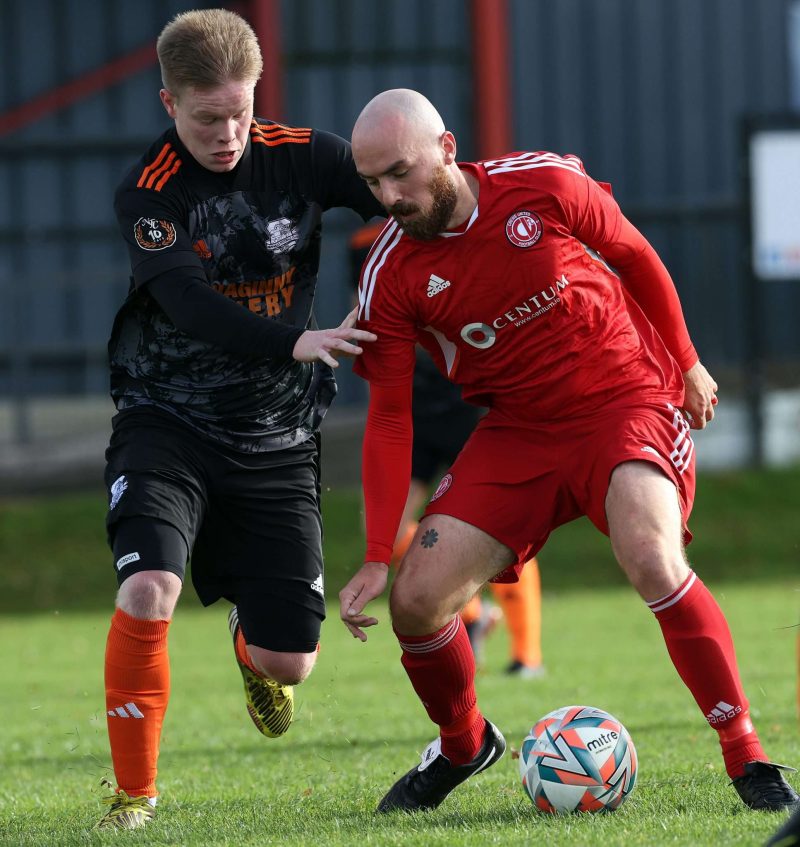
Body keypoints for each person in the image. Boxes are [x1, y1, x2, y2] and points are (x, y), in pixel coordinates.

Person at [339, 88, 800, 814]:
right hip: (519, 428)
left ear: (448, 149)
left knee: (650, 555)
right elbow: (390, 417)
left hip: (624, 396)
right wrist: (374, 550)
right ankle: (463, 742)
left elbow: (634, 253)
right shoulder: (390, 274)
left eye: (401, 172)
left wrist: (686, 362)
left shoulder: (542, 184)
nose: (389, 196)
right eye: (371, 182)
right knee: (416, 600)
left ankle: (745, 752)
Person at [96, 9, 381, 830]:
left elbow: (397, 196)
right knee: (148, 587)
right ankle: (133, 795)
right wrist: (297, 340)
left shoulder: (308, 157)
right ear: (167, 102)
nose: (227, 134)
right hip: (167, 422)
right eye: (205, 117)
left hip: (276, 437)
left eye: (241, 113)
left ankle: (248, 650)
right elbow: (183, 302)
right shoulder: (149, 191)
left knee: (290, 656)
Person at [348, 223, 544, 676]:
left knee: (503, 526)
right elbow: (367, 312)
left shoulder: (458, 227)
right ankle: (472, 614)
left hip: (465, 405)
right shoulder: (364, 245)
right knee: (384, 525)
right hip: (412, 408)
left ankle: (527, 655)